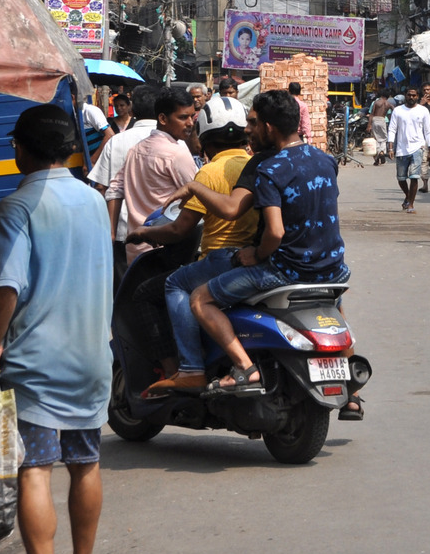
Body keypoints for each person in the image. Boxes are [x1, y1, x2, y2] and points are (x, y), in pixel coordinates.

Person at [0, 104, 111, 554]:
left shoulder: (18, 206)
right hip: (92, 355)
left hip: (35, 360)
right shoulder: (94, 201)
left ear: (22, 148)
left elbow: (6, 284)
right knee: (85, 462)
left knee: (34, 470)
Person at [190, 90, 348, 394]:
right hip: (332, 269)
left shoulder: (269, 169)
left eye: (254, 123)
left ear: (269, 128)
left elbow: (274, 233)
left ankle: (245, 367)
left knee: (200, 299)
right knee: (336, 311)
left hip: (287, 271)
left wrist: (256, 254)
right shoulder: (326, 160)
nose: (248, 130)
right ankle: (351, 393)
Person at [129, 98, 258, 394]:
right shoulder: (255, 165)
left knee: (172, 285)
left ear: (205, 137)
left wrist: (143, 235)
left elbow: (179, 229)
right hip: (254, 258)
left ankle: (188, 368)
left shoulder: (209, 173)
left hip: (222, 259)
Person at [115, 87, 199, 263]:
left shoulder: (136, 149)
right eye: (183, 117)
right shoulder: (176, 154)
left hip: (136, 249)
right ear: (162, 119)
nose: (190, 123)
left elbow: (114, 190)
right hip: (164, 250)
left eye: (191, 116)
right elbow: (200, 199)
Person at [88, 83, 159, 199]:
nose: (119, 108)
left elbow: (101, 186)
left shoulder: (115, 141)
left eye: (122, 105)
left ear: (131, 110)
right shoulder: (174, 142)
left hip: (122, 213)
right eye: (117, 106)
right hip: (162, 214)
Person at [390, 86, 430, 212]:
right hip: (401, 149)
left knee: (414, 177)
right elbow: (392, 129)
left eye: (414, 95)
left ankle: (411, 204)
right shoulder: (398, 111)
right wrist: (390, 147)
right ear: (405, 95)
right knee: (401, 178)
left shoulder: (423, 111)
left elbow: (428, 131)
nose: (411, 97)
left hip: (418, 148)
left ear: (418, 97)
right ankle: (408, 195)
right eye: (409, 95)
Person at [369, 91, 391, 166]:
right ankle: (382, 152)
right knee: (384, 138)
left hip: (375, 119)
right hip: (383, 120)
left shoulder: (376, 102)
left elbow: (371, 113)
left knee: (376, 138)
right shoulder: (388, 104)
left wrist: (369, 125)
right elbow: (392, 112)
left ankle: (377, 155)